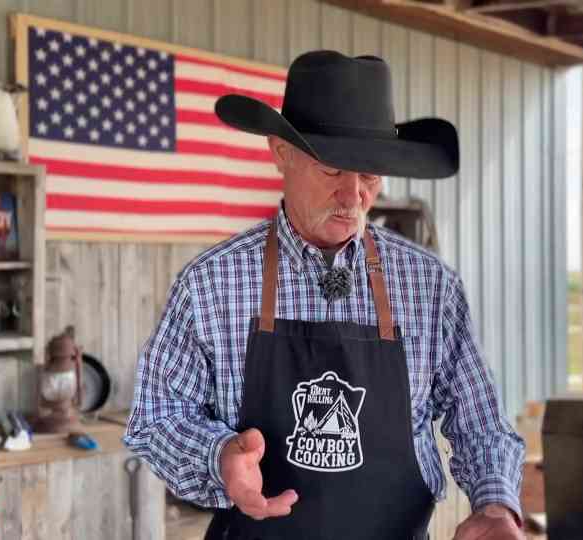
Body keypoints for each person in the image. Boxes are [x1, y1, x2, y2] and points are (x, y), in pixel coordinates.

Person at [124, 50, 525, 540]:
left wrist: (496, 504)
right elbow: (155, 418)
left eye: (371, 174)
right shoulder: (212, 283)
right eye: (334, 169)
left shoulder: (430, 287)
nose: (354, 196)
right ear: (279, 152)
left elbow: (480, 422)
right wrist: (219, 456)